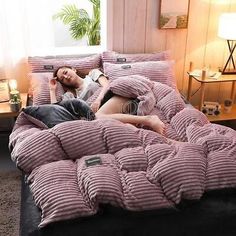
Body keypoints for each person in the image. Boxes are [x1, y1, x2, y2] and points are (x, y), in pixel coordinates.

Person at [49, 66, 165, 134]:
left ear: (73, 69)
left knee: (98, 117)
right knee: (128, 129)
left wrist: (98, 100)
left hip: (112, 97)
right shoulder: (72, 96)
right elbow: (55, 110)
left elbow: (107, 85)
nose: (65, 77)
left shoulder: (92, 75)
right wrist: (52, 90)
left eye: (65, 72)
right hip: (105, 113)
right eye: (62, 79)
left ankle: (149, 120)